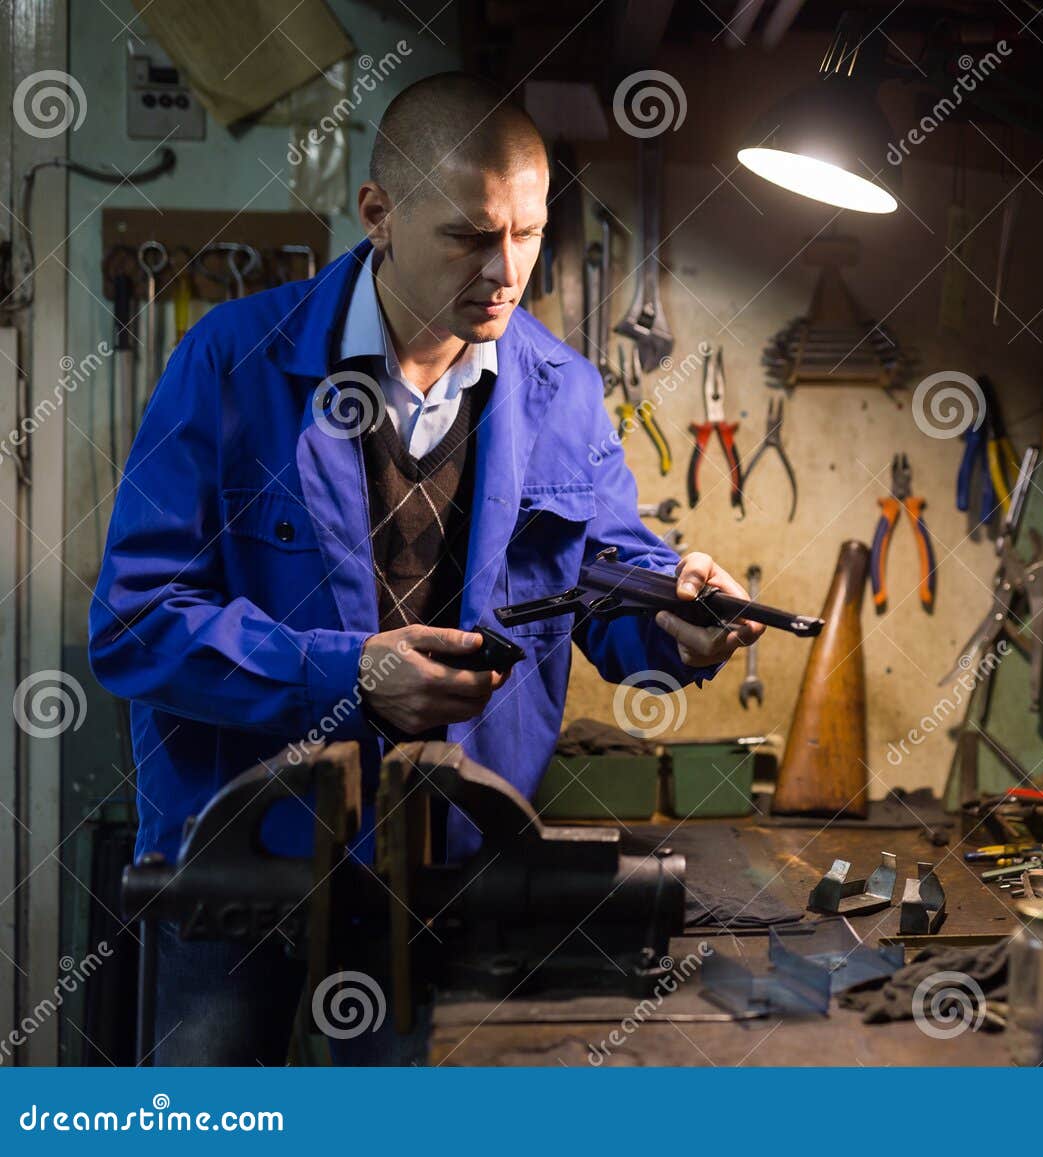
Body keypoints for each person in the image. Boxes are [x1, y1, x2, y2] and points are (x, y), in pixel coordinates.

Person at [87, 72, 761, 1065]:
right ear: (379, 215)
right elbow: (135, 624)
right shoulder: (230, 362)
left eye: (527, 234)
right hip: (242, 857)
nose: (505, 269)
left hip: (450, 864)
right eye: (470, 235)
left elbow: (604, 589)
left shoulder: (562, 393)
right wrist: (346, 673)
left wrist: (677, 621)